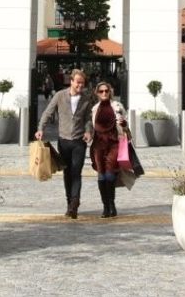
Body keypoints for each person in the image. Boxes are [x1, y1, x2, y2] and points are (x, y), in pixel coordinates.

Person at [35, 68, 91, 219]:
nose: (80, 85)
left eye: (83, 83)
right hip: (64, 141)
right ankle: (69, 203)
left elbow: (88, 118)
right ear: (71, 81)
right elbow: (48, 112)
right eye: (78, 82)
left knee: (76, 172)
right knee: (67, 173)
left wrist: (88, 131)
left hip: (79, 141)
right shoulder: (60, 96)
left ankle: (74, 203)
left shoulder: (86, 99)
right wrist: (41, 129)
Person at [87, 81, 130, 218]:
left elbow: (126, 125)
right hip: (98, 145)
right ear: (97, 93)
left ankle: (112, 205)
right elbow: (92, 126)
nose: (104, 93)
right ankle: (105, 207)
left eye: (106, 91)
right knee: (101, 176)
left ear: (110, 92)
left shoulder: (117, 107)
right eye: (101, 91)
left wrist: (124, 124)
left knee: (110, 175)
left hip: (114, 143)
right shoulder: (94, 109)